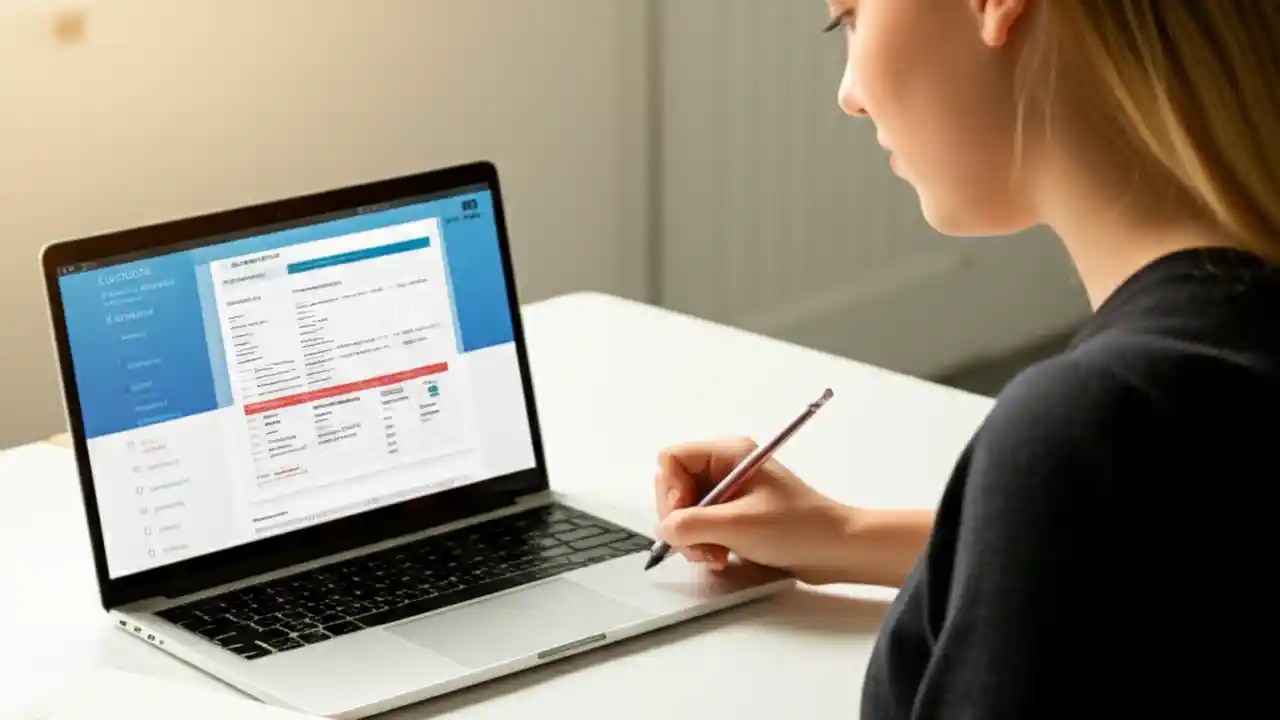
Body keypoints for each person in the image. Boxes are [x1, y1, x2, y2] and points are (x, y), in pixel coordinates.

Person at [652, 1, 1279, 717]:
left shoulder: (1096, 429)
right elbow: (1182, 556)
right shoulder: (1188, 410)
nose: (849, 94)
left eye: (850, 17)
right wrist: (847, 535)